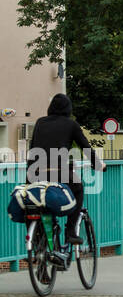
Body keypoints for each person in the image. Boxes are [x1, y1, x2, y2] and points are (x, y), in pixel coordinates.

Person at [26, 93, 103, 245]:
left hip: (34, 174)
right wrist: (99, 165)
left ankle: (38, 240)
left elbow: (32, 147)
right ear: (68, 108)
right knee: (78, 189)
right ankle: (70, 231)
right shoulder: (71, 124)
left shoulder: (40, 122)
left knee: (37, 202)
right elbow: (85, 147)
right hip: (59, 172)